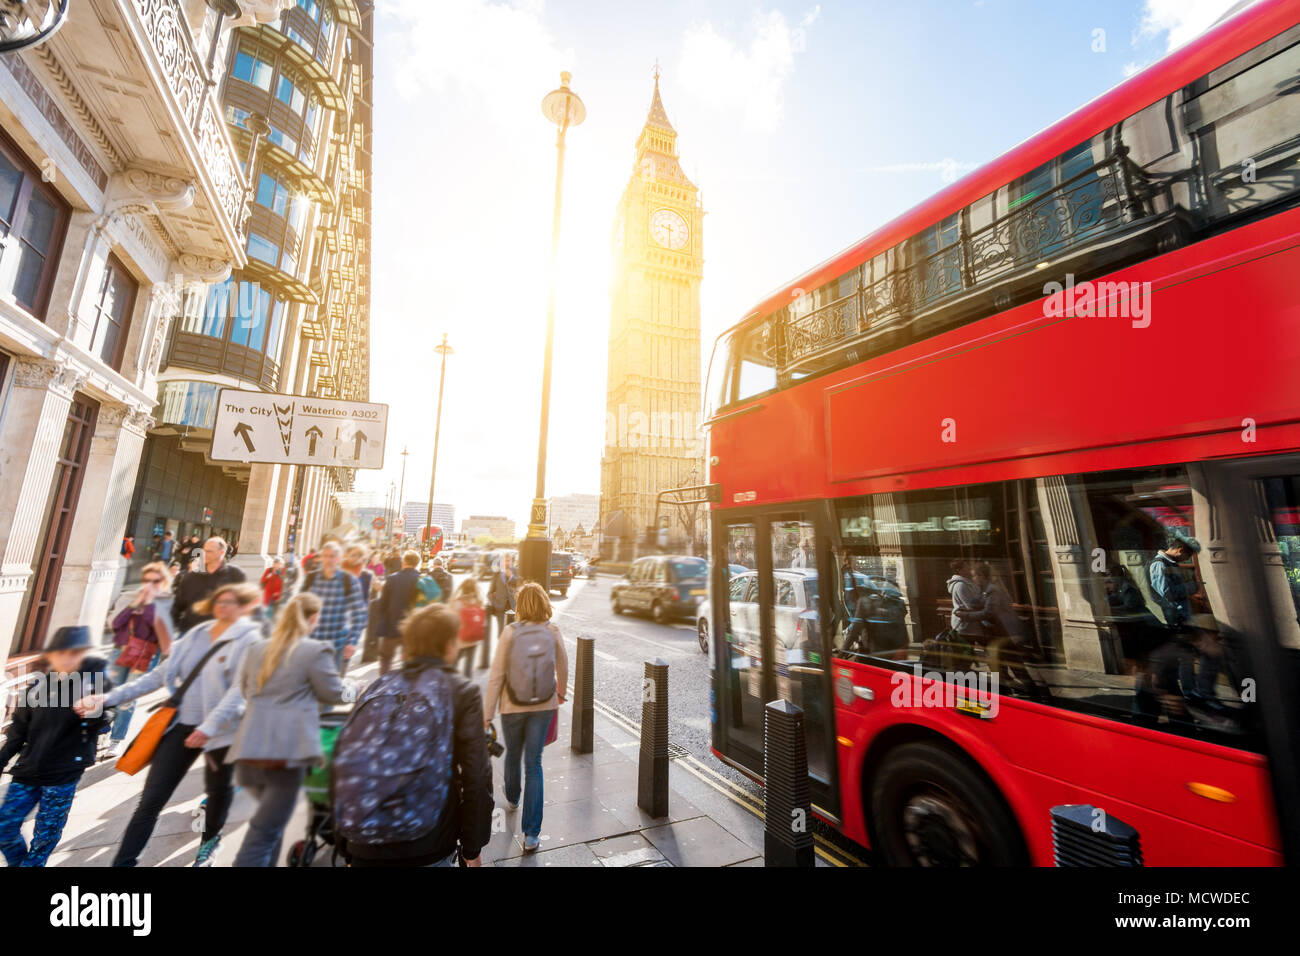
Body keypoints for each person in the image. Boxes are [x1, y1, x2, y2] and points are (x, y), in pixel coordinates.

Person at [78, 582, 263, 867]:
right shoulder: (197, 635)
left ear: (246, 606)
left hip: (222, 732)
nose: (223, 606)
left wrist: (209, 728)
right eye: (220, 600)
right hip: (182, 725)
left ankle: (209, 844)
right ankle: (124, 862)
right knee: (151, 800)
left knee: (218, 792)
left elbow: (240, 691)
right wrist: (107, 698)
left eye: (232, 602)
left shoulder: (250, 640)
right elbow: (157, 677)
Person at [336, 604, 493, 867]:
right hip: (428, 844)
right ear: (448, 645)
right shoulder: (461, 691)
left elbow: (346, 763)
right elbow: (476, 776)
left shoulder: (379, 685)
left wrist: (346, 845)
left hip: (366, 845)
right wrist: (472, 847)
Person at [198, 592, 346, 866]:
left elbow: (244, 689)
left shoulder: (258, 649)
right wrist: (356, 691)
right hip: (284, 755)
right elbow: (333, 693)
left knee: (272, 826)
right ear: (314, 618)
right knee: (263, 834)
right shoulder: (314, 650)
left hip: (249, 752)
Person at [0, 627, 113, 867]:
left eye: (74, 653)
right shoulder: (37, 688)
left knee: (45, 836)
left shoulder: (93, 685)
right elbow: (18, 732)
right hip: (28, 770)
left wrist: (95, 711)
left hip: (63, 775)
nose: (67, 658)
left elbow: (103, 722)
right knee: (4, 827)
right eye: (61, 652)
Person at [483, 582, 567, 853]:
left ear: (519, 605)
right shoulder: (552, 631)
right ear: (544, 603)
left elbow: (496, 675)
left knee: (513, 754)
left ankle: (513, 796)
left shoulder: (510, 632)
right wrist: (561, 695)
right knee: (535, 764)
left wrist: (487, 715)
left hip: (512, 706)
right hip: (543, 706)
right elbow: (563, 664)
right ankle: (531, 835)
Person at [105, 562, 175, 758]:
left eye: (156, 581)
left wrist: (151, 605)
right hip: (120, 650)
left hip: (146, 654)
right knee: (110, 692)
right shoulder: (129, 597)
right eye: (147, 580)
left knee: (127, 696)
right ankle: (101, 729)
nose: (151, 584)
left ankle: (116, 740)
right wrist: (135, 604)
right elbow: (115, 623)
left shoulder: (166, 602)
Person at [301, 541, 367, 676]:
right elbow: (297, 606)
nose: (328, 560)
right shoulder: (311, 578)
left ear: (339, 558)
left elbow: (359, 614)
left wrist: (352, 642)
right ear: (321, 557)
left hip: (336, 645)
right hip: (311, 643)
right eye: (325, 556)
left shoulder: (348, 581)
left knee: (331, 689)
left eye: (332, 556)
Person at [171, 536, 247, 633]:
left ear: (222, 552)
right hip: (192, 634)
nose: (204, 554)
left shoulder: (236, 575)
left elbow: (245, 605)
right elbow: (177, 606)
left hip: (223, 636)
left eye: (209, 551)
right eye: (203, 550)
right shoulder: (191, 577)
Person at [375, 550, 421, 675]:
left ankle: (384, 685)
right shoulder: (422, 579)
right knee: (409, 660)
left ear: (404, 561)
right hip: (412, 627)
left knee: (386, 659)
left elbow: (383, 603)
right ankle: (406, 687)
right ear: (416, 563)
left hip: (392, 625)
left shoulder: (392, 578)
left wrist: (382, 619)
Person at [483, 552, 518, 670]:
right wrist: (495, 602)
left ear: (512, 561)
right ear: (502, 562)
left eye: (509, 561)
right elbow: (489, 593)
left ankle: (511, 660)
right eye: (505, 561)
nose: (507, 563)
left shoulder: (516, 573)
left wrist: (511, 577)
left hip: (514, 610)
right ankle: (502, 660)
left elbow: (521, 587)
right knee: (501, 635)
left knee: (514, 636)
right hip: (500, 610)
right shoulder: (497, 574)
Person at [448, 579, 487, 678]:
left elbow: (450, 620)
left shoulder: (457, 603)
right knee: (468, 668)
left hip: (460, 639)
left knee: (453, 665)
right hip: (474, 638)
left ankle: (452, 685)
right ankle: (467, 687)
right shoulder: (477, 602)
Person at [946, 559, 985, 640]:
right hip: (964, 625)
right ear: (959, 570)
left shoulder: (968, 582)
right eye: (966, 567)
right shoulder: (960, 585)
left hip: (971, 624)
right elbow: (970, 606)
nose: (969, 568)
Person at [260, 558, 285, 623]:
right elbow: (262, 580)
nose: (277, 565)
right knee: (268, 610)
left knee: (276, 611)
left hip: (278, 594)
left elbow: (284, 583)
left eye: (279, 564)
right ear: (273, 564)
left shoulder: (282, 571)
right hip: (268, 593)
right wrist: (269, 576)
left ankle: (274, 623)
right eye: (275, 563)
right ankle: (267, 623)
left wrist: (279, 593)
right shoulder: (269, 570)